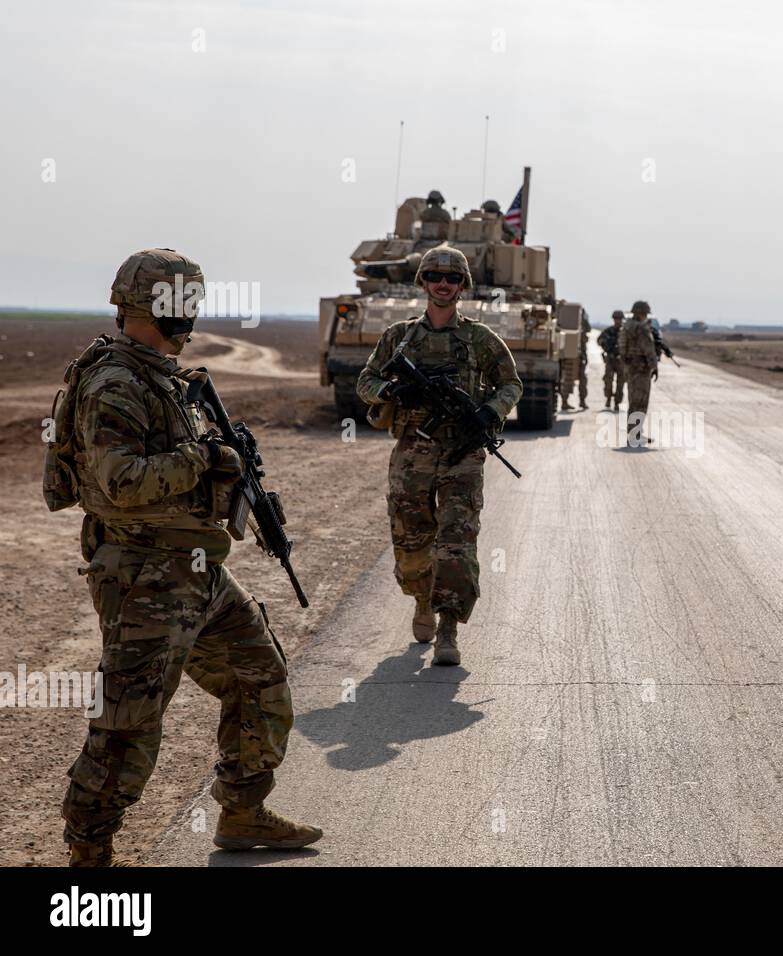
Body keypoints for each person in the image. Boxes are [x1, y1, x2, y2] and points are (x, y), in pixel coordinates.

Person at [55, 249, 321, 866]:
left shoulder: (163, 378)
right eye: (186, 303)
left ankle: (242, 811)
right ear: (151, 306)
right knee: (129, 720)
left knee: (261, 678)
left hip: (198, 570)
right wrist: (205, 461)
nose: (194, 315)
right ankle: (89, 855)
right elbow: (120, 482)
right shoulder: (115, 382)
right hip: (144, 574)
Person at [357, 245, 523, 664]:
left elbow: (511, 385)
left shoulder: (481, 339)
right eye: (435, 277)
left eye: (451, 278)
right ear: (423, 283)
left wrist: (489, 411)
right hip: (412, 450)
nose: (443, 284)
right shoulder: (399, 336)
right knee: (410, 539)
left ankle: (448, 627)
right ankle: (421, 599)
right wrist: (392, 390)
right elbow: (366, 380)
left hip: (462, 453)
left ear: (462, 285)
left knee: (457, 540)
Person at [617, 300, 659, 446]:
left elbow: (622, 349)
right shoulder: (641, 328)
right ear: (641, 313)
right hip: (641, 369)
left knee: (633, 402)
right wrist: (654, 366)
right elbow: (648, 349)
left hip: (630, 368)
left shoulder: (627, 326)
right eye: (645, 313)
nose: (646, 316)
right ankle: (635, 436)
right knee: (640, 403)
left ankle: (634, 434)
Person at [561, 310, 592, 411]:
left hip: (581, 356)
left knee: (583, 380)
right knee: (567, 379)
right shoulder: (568, 327)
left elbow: (588, 329)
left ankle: (582, 401)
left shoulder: (582, 328)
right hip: (570, 356)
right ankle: (564, 402)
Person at [597, 310, 626, 410]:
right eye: (616, 319)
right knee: (608, 381)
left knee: (620, 383)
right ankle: (608, 398)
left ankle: (617, 402)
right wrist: (606, 343)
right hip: (610, 359)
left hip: (621, 361)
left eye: (619, 319)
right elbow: (599, 340)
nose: (617, 321)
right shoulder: (609, 331)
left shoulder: (625, 332)